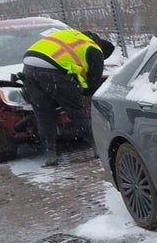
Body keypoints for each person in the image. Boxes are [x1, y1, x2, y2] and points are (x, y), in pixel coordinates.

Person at [20, 28, 115, 167]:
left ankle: (50, 154)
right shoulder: (94, 50)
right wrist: (81, 96)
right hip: (52, 71)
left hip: (28, 66)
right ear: (102, 50)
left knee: (43, 113)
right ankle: (98, 147)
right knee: (76, 111)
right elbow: (92, 85)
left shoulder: (72, 36)